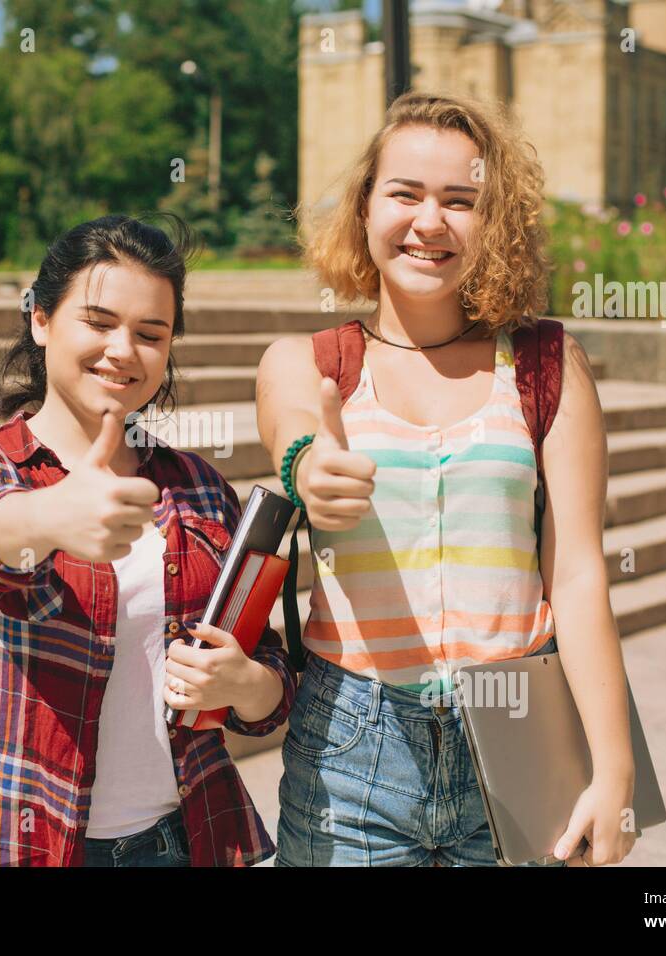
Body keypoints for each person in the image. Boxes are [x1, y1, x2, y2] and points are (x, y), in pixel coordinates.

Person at [256, 91, 638, 867]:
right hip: (352, 746)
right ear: (365, 206)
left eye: (461, 201)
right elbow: (297, 437)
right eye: (405, 193)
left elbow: (577, 573)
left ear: (493, 224)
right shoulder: (308, 362)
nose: (430, 222)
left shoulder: (545, 365)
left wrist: (615, 769)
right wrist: (310, 467)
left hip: (524, 724)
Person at [0, 214, 295, 867]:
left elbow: (268, 681)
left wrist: (245, 682)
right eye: (97, 323)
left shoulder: (200, 489)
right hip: (17, 842)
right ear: (40, 319)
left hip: (178, 840)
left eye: (151, 334)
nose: (123, 350)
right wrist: (53, 516)